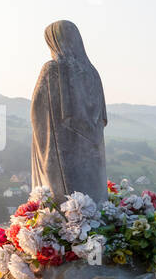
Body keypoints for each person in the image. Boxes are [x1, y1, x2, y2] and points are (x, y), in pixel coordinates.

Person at [30, 20, 108, 203]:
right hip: (93, 159)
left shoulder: (53, 69)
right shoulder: (93, 73)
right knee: (93, 208)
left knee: (69, 211)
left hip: (62, 156)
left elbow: (37, 113)